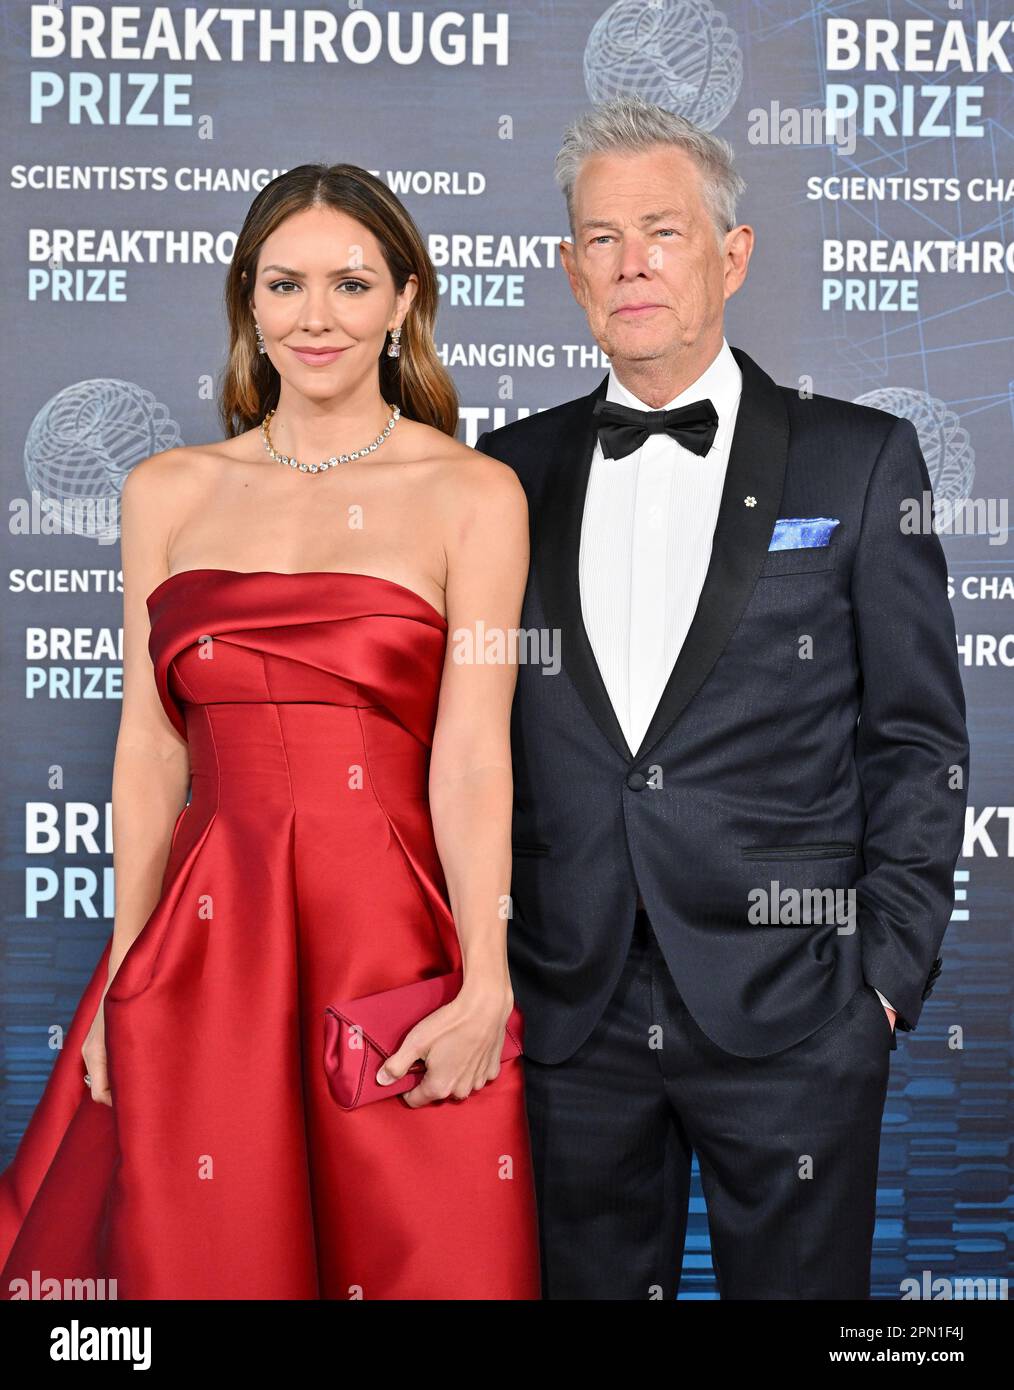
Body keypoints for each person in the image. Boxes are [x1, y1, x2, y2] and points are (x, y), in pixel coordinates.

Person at [0, 164, 540, 1300]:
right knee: (208, 1253)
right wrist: (121, 984)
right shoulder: (169, 491)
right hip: (209, 939)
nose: (317, 317)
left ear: (404, 302)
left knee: (421, 1252)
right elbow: (152, 753)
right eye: (285, 284)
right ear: (249, 299)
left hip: (391, 937)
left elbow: (474, 753)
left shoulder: (475, 494)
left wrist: (484, 980)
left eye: (351, 284)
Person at [475, 96, 969, 1299]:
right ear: (567, 268)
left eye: (664, 230)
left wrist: (885, 984)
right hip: (568, 1012)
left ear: (733, 254)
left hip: (798, 1011)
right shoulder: (500, 477)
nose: (631, 263)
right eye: (600, 237)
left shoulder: (858, 459)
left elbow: (916, 739)